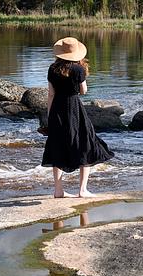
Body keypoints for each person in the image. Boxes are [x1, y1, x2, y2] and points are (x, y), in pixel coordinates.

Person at [41, 36, 113, 198]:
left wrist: (50, 115)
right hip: (74, 109)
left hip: (57, 109)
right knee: (85, 144)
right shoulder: (79, 69)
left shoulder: (52, 69)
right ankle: (82, 190)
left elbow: (51, 94)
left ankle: (58, 190)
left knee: (57, 146)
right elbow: (83, 91)